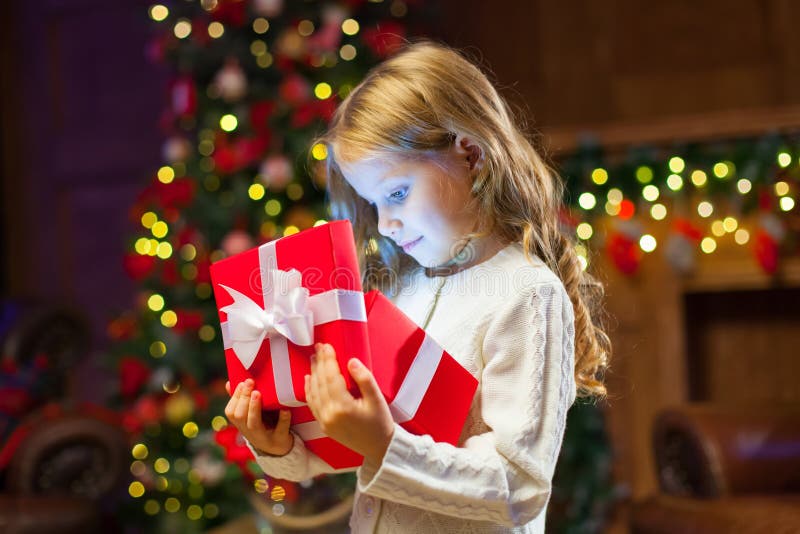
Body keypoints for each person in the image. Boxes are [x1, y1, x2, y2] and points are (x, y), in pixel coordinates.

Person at [224, 40, 611, 533]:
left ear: (470, 155)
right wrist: (281, 446)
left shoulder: (526, 294)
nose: (384, 223)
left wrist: (386, 445)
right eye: (373, 204)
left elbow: (519, 486)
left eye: (397, 193)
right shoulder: (401, 291)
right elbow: (350, 444)